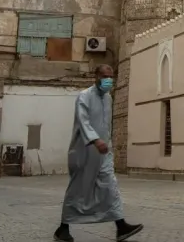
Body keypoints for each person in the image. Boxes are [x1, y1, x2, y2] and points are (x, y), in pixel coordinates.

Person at [54, 65, 142, 242]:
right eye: (104, 76)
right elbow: (83, 121)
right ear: (96, 76)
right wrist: (95, 140)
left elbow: (106, 124)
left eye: (111, 76)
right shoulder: (84, 96)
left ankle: (121, 226)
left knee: (110, 185)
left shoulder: (108, 98)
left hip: (103, 152)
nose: (108, 80)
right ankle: (63, 229)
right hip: (84, 152)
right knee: (77, 190)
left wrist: (106, 142)